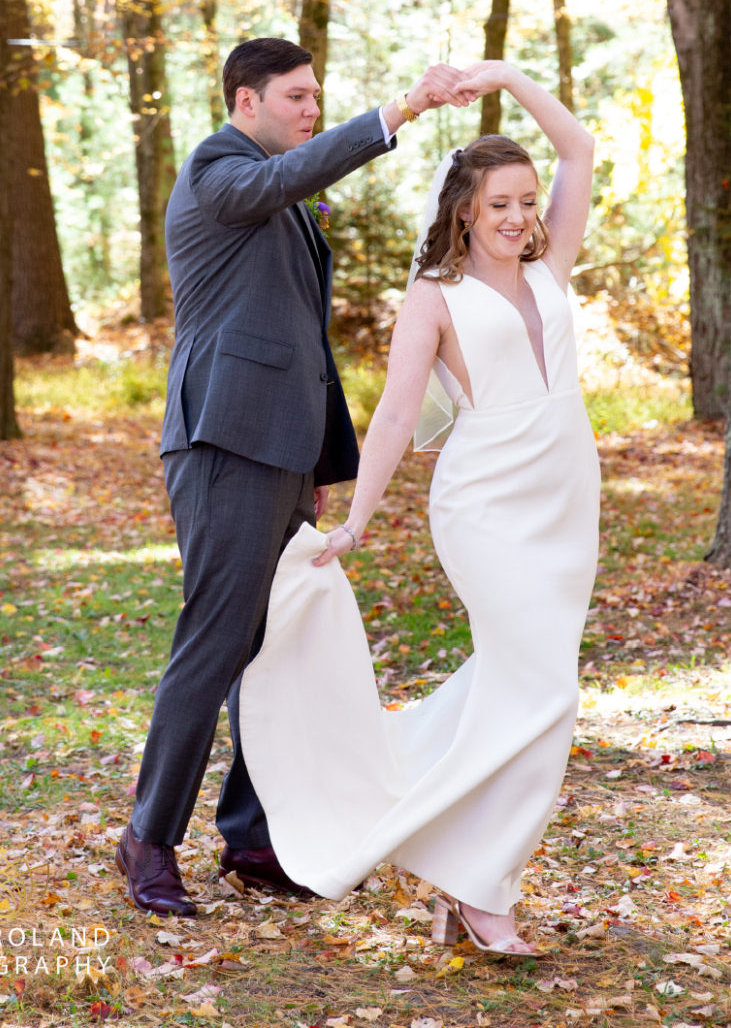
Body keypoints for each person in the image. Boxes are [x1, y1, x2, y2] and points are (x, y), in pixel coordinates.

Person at [237, 60, 599, 955]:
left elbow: (579, 147)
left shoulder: (553, 260)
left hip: (567, 498)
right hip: (484, 505)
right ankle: (481, 891)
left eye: (526, 201)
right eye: (499, 204)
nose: (518, 218)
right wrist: (358, 517)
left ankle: (456, 865)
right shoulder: (434, 298)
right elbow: (397, 413)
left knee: (519, 687)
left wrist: (510, 77)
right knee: (547, 691)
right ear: (464, 211)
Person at [116, 37, 467, 917]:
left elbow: (297, 339)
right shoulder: (217, 169)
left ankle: (252, 838)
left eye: (318, 98)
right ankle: (147, 840)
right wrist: (403, 110)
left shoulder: (286, 208)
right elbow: (290, 177)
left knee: (272, 653)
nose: (310, 109)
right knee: (215, 643)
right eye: (297, 97)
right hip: (222, 442)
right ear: (246, 101)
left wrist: (316, 459)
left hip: (279, 452)